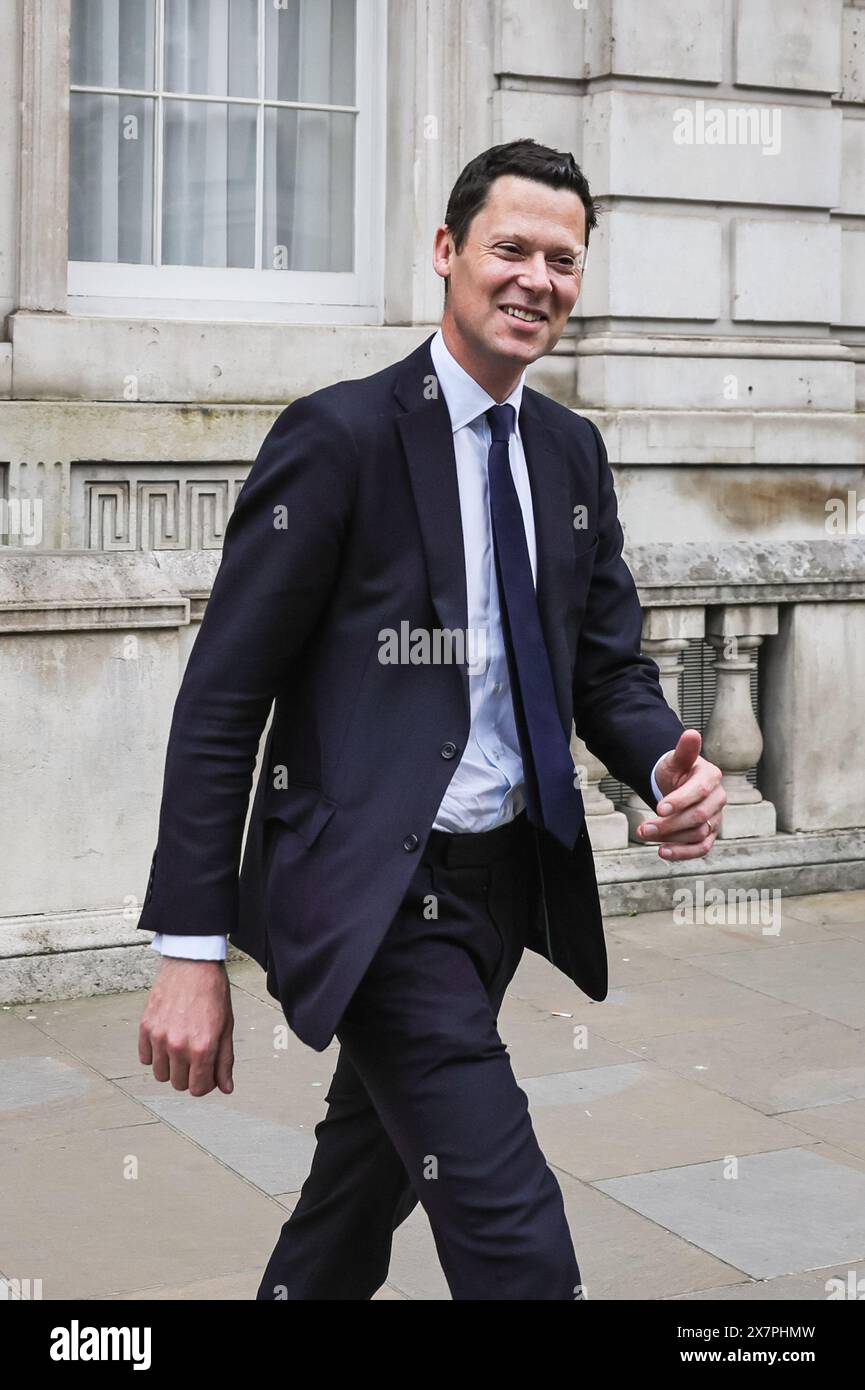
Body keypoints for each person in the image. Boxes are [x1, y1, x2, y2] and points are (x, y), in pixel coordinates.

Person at [137, 139, 726, 1300]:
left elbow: (605, 673)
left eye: (563, 259)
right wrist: (189, 948)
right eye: (510, 248)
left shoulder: (568, 450)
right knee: (517, 1245)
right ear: (449, 252)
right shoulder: (340, 437)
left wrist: (666, 764)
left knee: (361, 1186)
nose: (536, 280)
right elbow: (222, 700)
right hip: (379, 890)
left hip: (505, 884)